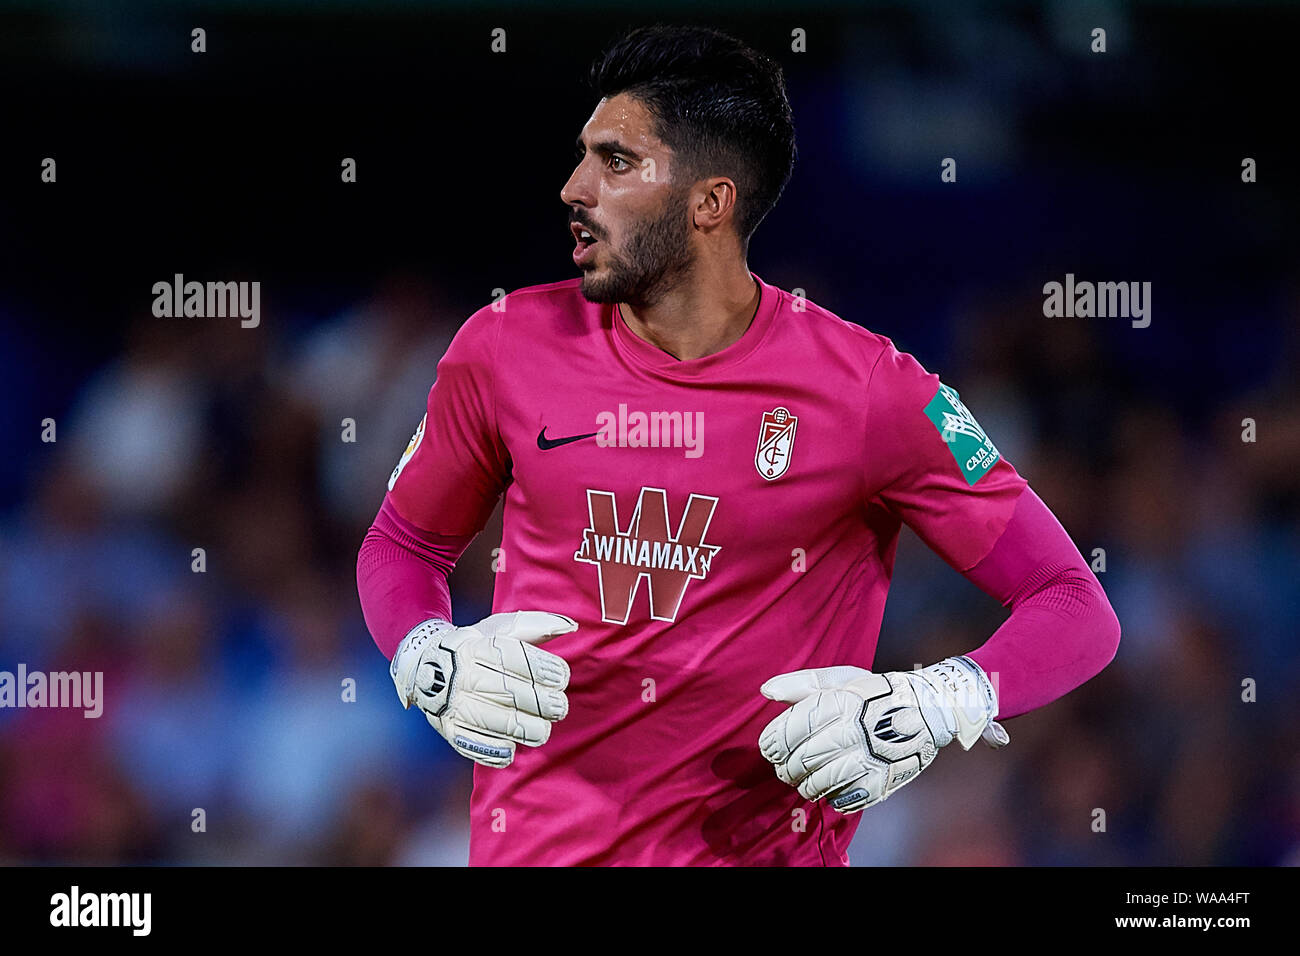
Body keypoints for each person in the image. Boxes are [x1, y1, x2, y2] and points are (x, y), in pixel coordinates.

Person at [357, 23, 1120, 866]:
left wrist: (938, 704)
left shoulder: (870, 391)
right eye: (583, 156)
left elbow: (1073, 603)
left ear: (710, 202)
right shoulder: (502, 347)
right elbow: (403, 545)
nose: (574, 187)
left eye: (615, 162)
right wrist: (425, 651)